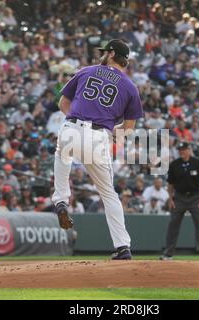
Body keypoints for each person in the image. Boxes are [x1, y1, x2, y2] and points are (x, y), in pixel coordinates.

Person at [51, 39, 143, 260]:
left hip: (71, 127)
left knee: (61, 156)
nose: (102, 54)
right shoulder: (130, 87)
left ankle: (61, 200)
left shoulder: (87, 71)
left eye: (105, 52)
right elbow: (129, 129)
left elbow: (63, 103)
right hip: (98, 135)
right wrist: (106, 132)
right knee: (108, 194)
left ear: (111, 54)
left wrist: (77, 124)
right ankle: (123, 247)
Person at [161, 142, 199, 261]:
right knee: (173, 225)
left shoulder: (197, 163)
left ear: (189, 150)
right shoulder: (174, 164)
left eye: (183, 149)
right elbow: (170, 183)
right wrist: (171, 198)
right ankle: (168, 254)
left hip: (195, 197)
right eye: (180, 150)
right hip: (179, 198)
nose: (181, 152)